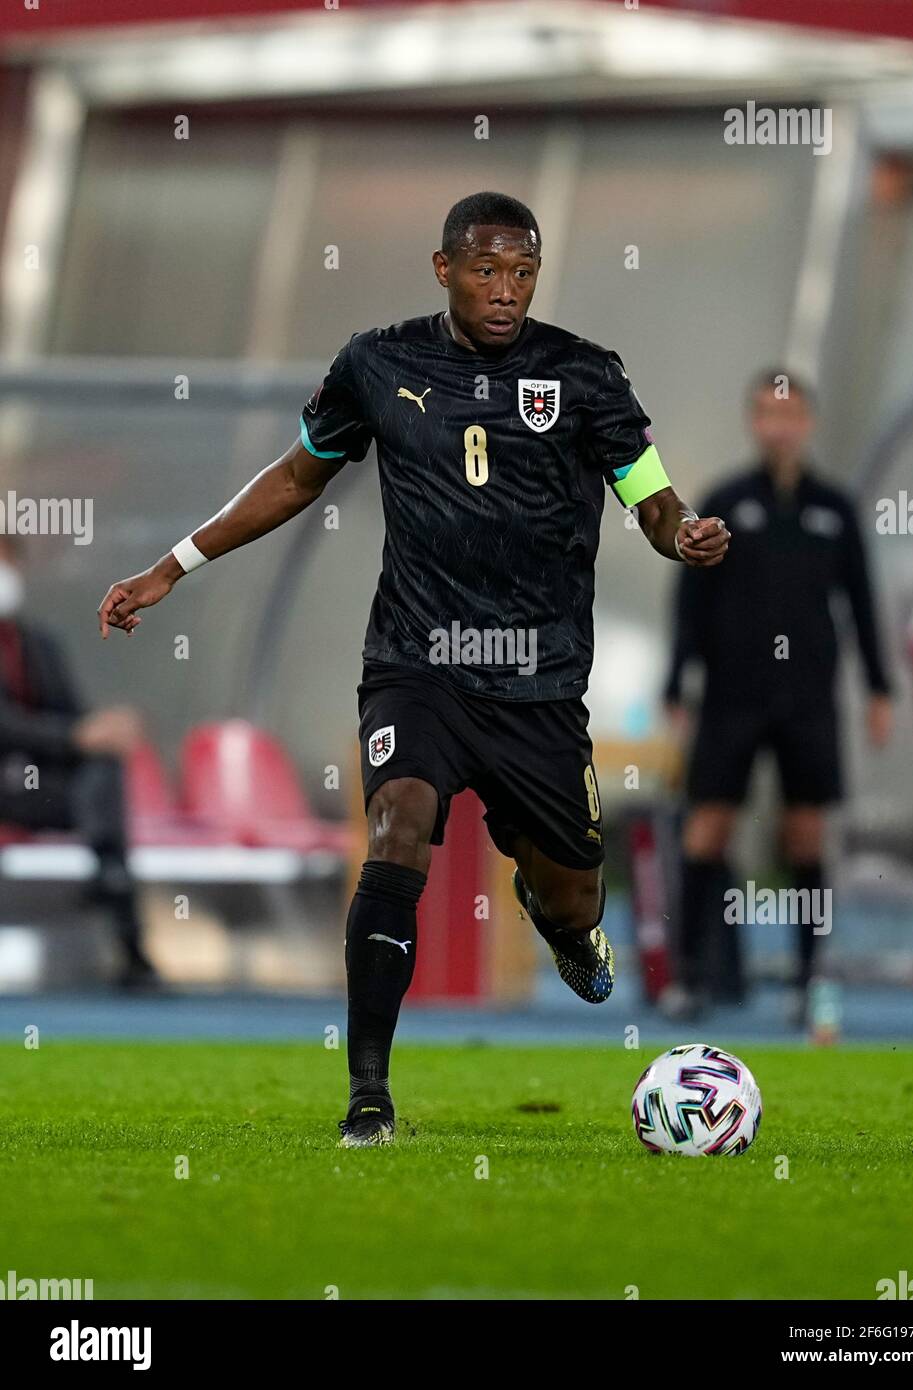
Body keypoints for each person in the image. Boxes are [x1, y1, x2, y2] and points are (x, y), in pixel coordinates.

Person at [97, 190, 730, 1145]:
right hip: (416, 663)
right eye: (486, 270)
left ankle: (557, 920)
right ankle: (368, 1097)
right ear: (444, 270)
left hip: (539, 681)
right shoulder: (378, 363)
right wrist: (172, 566)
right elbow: (297, 475)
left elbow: (642, 482)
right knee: (398, 827)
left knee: (574, 895)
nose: (506, 290)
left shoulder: (582, 373)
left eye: (522, 272)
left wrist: (678, 532)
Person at [663, 369, 893, 1024]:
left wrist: (879, 686)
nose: (778, 426)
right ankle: (687, 974)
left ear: (808, 423)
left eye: (789, 414)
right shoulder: (725, 502)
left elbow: (861, 601)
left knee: (806, 834)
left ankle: (809, 978)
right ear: (753, 422)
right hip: (733, 695)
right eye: (766, 413)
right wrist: (676, 681)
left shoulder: (834, 508)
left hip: (809, 699)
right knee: (707, 828)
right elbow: (691, 599)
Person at [0, 533, 158, 988]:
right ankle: (112, 877)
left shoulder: (37, 643)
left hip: (39, 789)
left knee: (103, 767)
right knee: (93, 762)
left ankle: (117, 901)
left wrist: (104, 730)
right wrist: (76, 735)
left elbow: (73, 716)